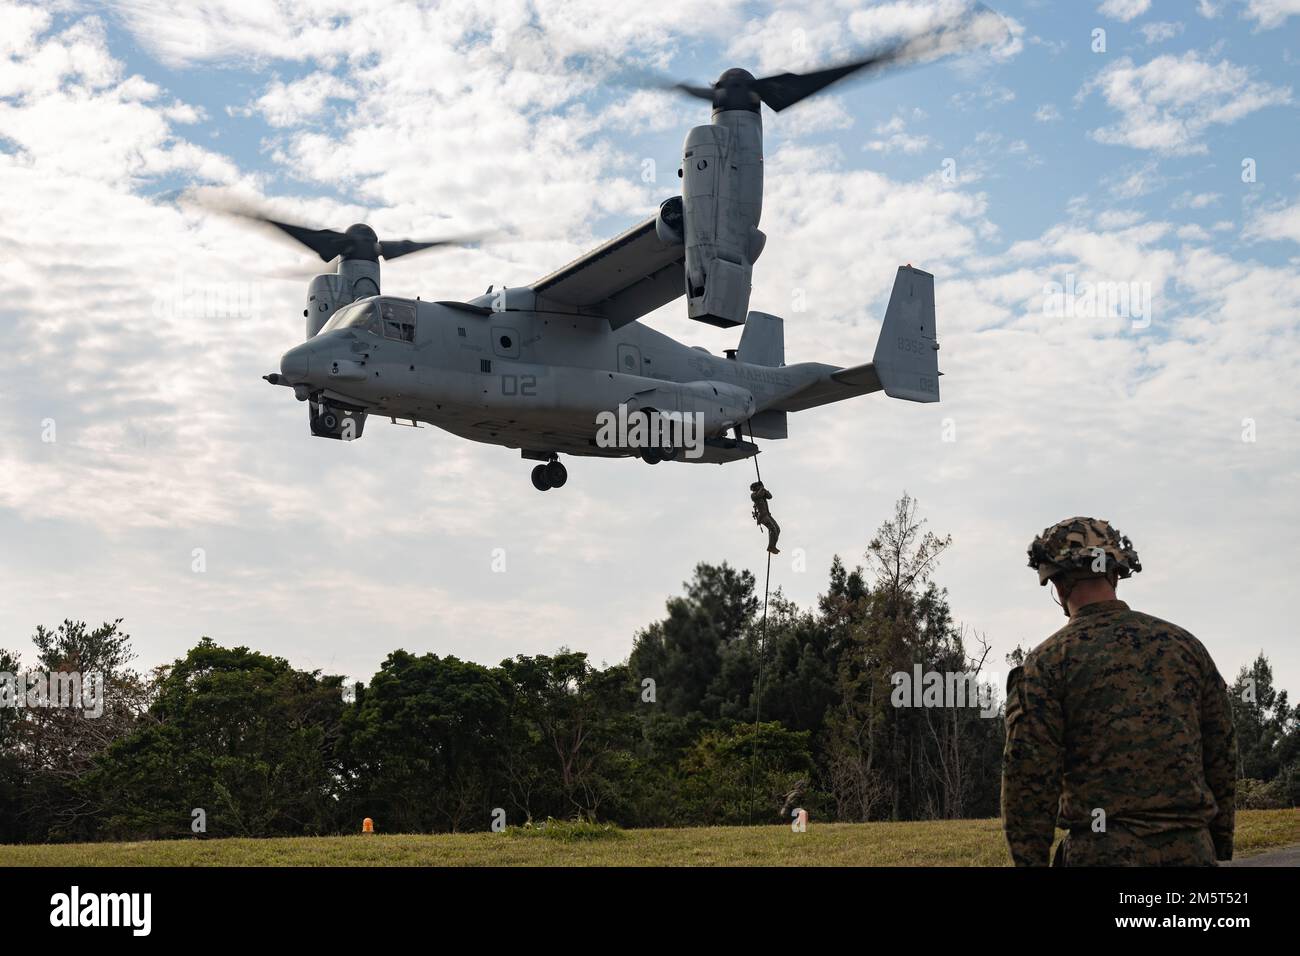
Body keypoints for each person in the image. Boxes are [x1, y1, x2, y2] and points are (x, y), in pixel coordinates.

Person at [1002, 517, 1237, 867]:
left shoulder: (1047, 663)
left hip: (1100, 852)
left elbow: (1028, 782)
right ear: (1114, 575)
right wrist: (1218, 843)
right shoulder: (1186, 648)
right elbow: (1221, 753)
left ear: (1058, 585)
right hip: (1192, 851)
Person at [750, 481, 780, 555]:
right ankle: (771, 547)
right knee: (772, 529)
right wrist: (761, 488)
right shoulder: (753, 495)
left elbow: (770, 496)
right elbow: (758, 495)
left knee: (777, 529)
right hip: (762, 516)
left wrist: (764, 489)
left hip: (768, 515)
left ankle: (772, 545)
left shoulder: (762, 492)